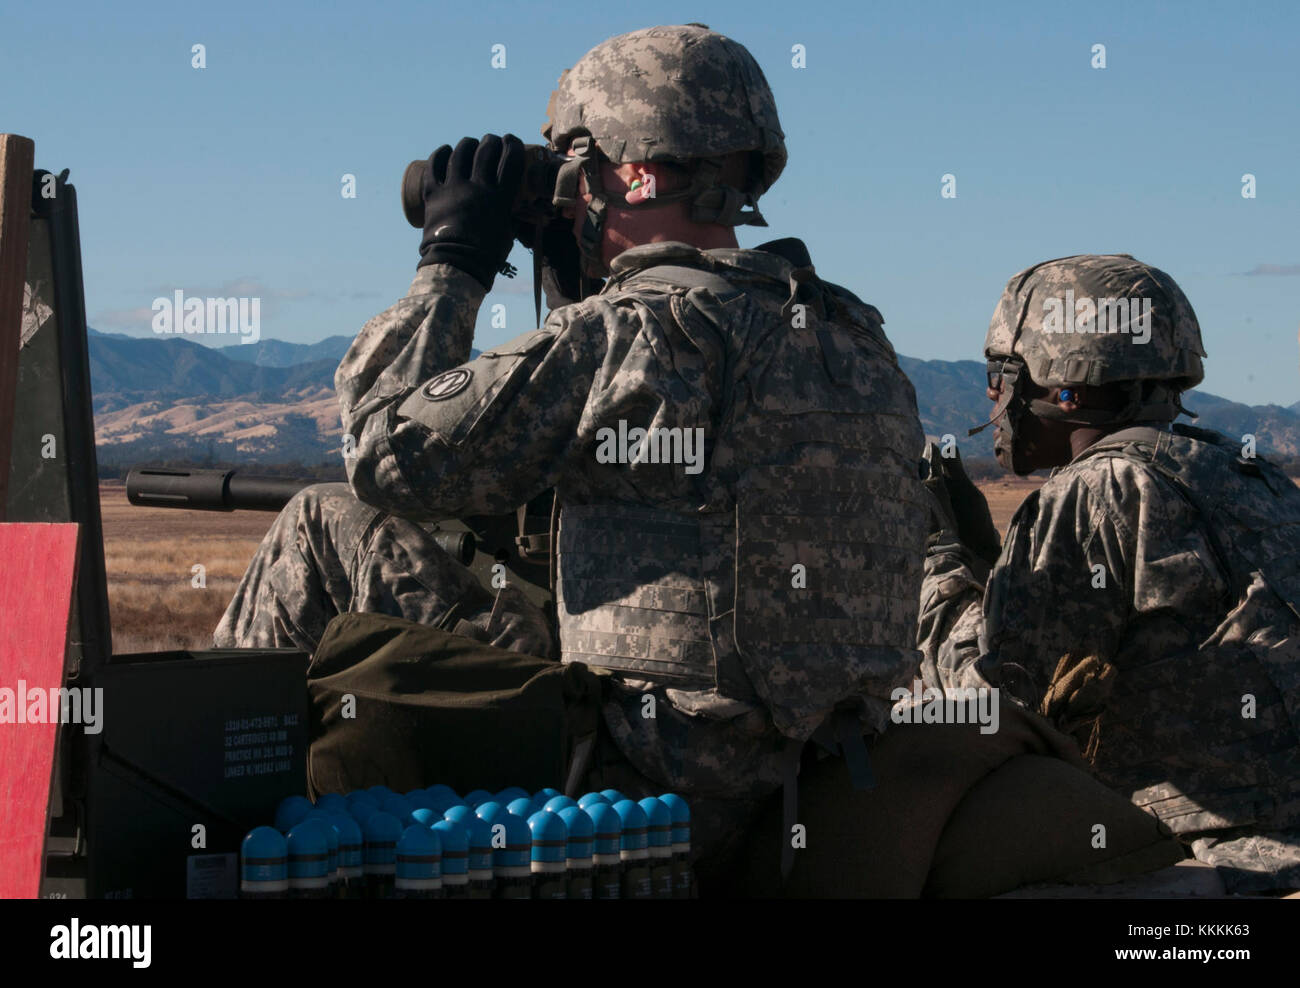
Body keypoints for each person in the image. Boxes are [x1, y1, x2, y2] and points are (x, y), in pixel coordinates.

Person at [216, 27, 1179, 895]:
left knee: (323, 520)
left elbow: (387, 452)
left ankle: (200, 832)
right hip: (821, 783)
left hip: (639, 792)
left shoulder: (624, 335)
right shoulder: (858, 339)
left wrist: (454, 256)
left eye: (571, 166)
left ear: (606, 173)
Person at [919, 253, 1300, 894]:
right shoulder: (1250, 475)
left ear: (1065, 387)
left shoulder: (1098, 488)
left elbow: (996, 708)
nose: (993, 398)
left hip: (1213, 868)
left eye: (1001, 374)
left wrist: (932, 567)